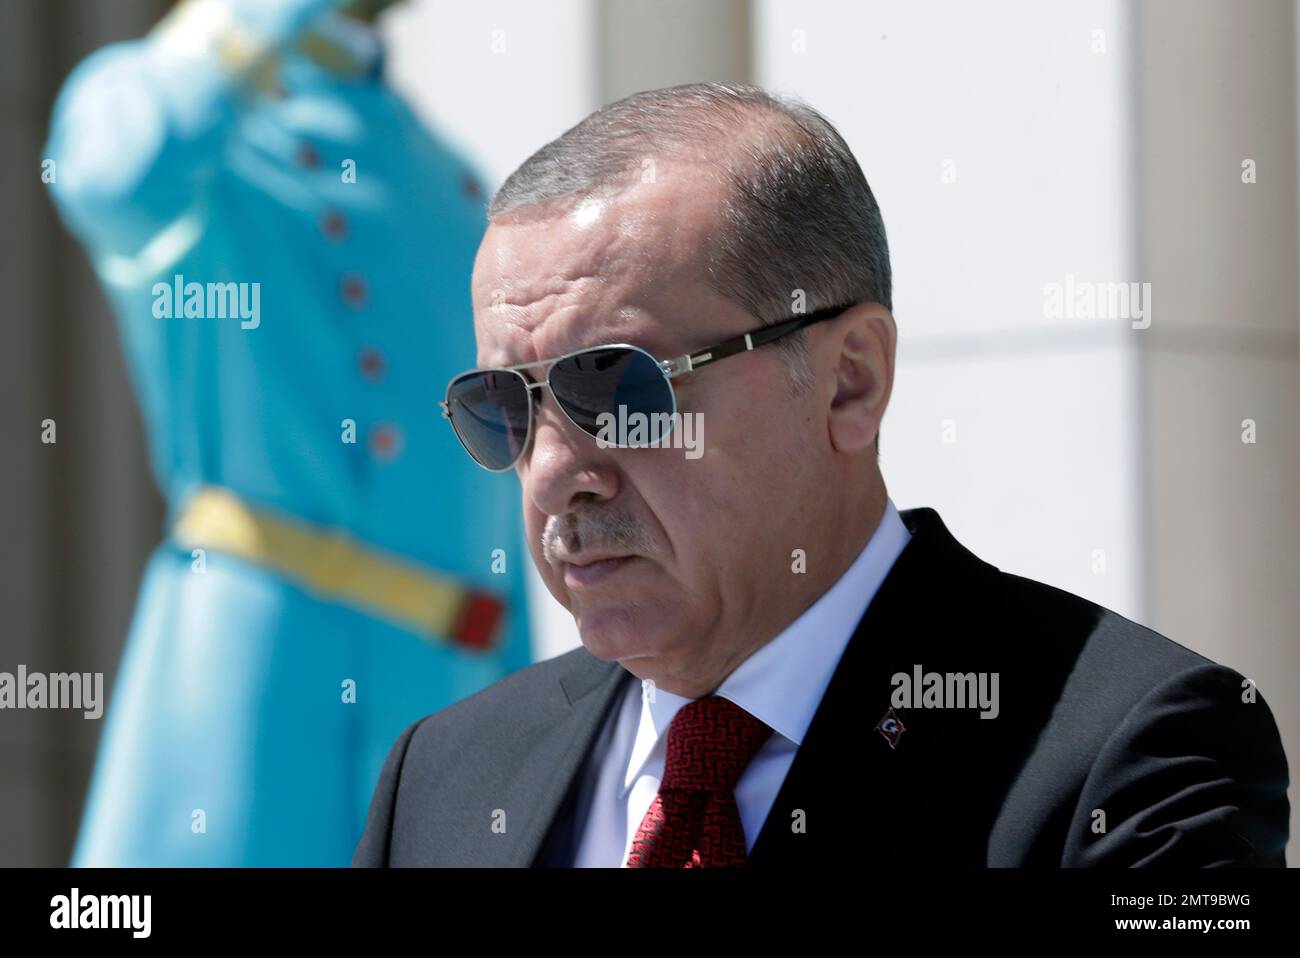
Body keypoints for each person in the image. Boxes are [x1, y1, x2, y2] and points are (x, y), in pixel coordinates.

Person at [352, 82, 1289, 867]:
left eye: (617, 386)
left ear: (851, 380)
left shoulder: (1132, 756)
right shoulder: (441, 781)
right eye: (504, 408)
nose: (555, 472)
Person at [44, 0, 533, 866]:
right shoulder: (206, 130)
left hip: (440, 687)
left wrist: (527, 737)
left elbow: (491, 499)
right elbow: (110, 176)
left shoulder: (451, 176)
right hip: (256, 674)